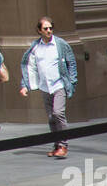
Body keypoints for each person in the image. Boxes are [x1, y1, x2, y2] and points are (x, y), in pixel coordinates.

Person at [18, 17, 78, 158]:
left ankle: (63, 145)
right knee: (51, 117)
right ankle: (57, 145)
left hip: (59, 85)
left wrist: (72, 82)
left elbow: (72, 63)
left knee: (58, 113)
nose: (49, 31)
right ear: (39, 30)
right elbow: (29, 68)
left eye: (51, 28)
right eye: (45, 28)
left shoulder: (60, 44)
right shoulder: (35, 48)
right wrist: (25, 86)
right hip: (45, 87)